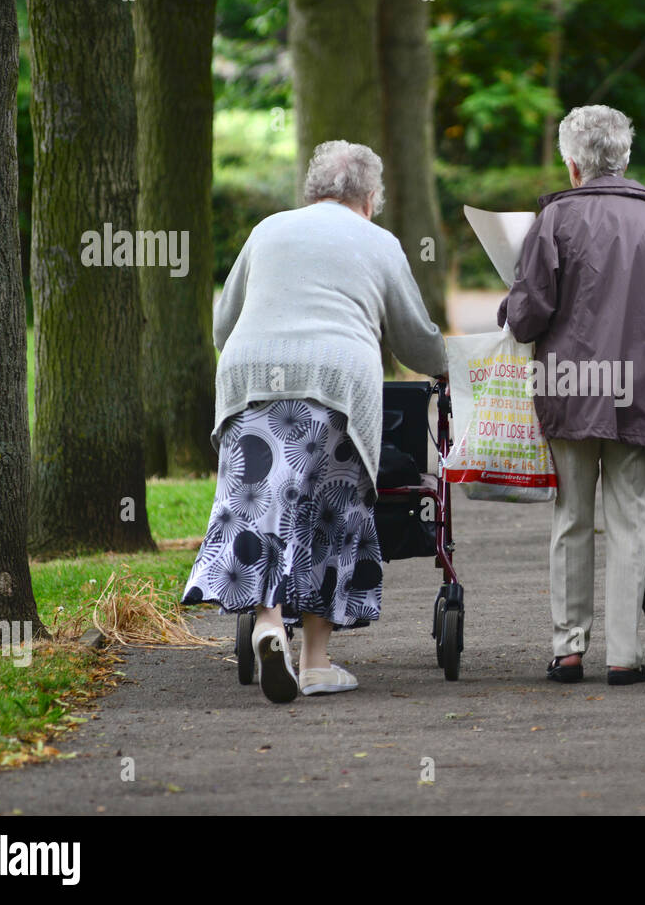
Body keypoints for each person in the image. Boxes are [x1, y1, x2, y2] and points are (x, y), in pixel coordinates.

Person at [182, 140, 447, 704]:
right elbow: (413, 338)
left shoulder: (267, 229)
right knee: (331, 512)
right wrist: (457, 367)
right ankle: (318, 662)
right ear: (370, 197)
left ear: (312, 188)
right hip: (336, 388)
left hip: (251, 378)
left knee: (258, 503)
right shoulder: (380, 243)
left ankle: (270, 623)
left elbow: (224, 322)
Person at [498, 104, 645, 686]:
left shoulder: (553, 220)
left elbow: (530, 314)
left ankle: (567, 649)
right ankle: (623, 654)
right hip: (642, 390)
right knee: (632, 521)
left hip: (570, 390)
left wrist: (509, 307)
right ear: (626, 158)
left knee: (571, 519)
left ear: (572, 165)